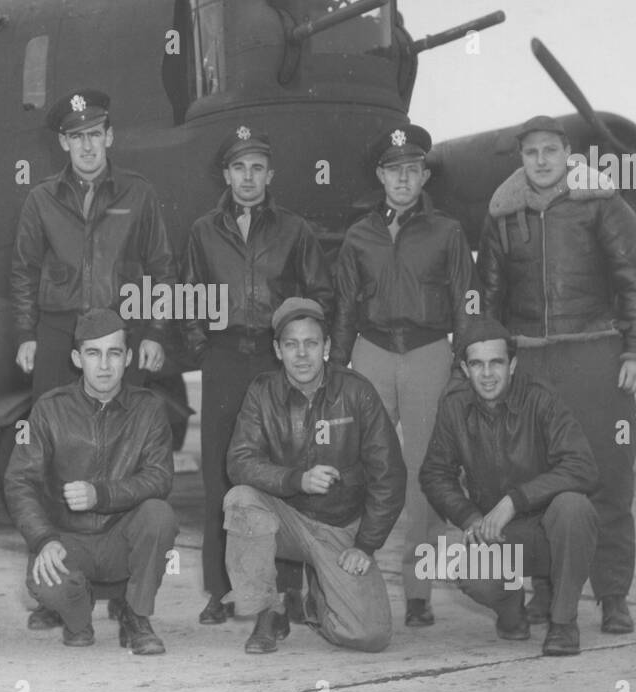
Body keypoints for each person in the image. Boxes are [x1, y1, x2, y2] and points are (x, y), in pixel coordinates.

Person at [477, 116, 636, 634]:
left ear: (568, 153)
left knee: (608, 479)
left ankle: (612, 595)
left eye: (550, 150)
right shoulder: (501, 214)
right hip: (529, 362)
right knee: (533, 480)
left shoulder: (601, 202)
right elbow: (486, 298)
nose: (540, 160)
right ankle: (547, 590)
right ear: (521, 157)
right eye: (531, 152)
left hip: (595, 359)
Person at [9, 89, 177, 629]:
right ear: (63, 142)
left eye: (94, 134)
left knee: (125, 450)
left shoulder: (139, 193)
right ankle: (58, 591)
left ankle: (128, 586)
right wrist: (27, 333)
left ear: (109, 136)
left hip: (117, 331)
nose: (86, 145)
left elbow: (160, 266)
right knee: (53, 457)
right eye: (75, 136)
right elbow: (22, 270)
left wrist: (153, 331)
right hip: (61, 334)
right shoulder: (40, 199)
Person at [182, 125, 332, 626]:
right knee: (220, 473)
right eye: (238, 167)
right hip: (225, 359)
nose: (248, 177)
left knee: (282, 469)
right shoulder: (204, 230)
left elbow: (318, 295)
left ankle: (288, 589)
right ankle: (221, 590)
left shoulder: (295, 230)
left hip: (275, 365)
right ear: (225, 174)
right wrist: (206, 350)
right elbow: (189, 298)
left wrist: (296, 358)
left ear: (270, 174)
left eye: (257, 167)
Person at [331, 123, 475, 628]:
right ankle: (340, 583)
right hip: (370, 352)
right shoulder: (359, 235)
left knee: (422, 477)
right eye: (394, 171)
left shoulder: (448, 232)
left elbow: (465, 301)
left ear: (423, 175)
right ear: (380, 175)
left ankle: (418, 593)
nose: (404, 179)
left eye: (413, 170)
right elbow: (345, 304)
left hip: (428, 352)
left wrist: (461, 365)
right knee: (352, 468)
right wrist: (337, 368)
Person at [223, 298, 405, 654]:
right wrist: (296, 479)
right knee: (241, 501)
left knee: (370, 636)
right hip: (288, 518)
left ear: (327, 346)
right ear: (277, 350)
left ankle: (316, 600)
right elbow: (240, 461)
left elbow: (390, 474)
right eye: (291, 344)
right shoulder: (262, 392)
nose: (302, 354)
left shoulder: (357, 391)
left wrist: (366, 544)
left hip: (341, 528)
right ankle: (269, 613)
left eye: (311, 343)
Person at [419, 319, 600, 656]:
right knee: (461, 565)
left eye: (496, 362)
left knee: (575, 508)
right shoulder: (454, 407)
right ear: (464, 368)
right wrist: (470, 518)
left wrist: (514, 501)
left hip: (550, 531)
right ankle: (510, 609)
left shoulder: (540, 399)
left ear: (513, 364)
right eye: (477, 364)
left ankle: (562, 622)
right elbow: (434, 473)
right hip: (497, 535)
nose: (487, 374)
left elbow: (583, 466)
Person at [4, 309, 178, 655]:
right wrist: (43, 539)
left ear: (127, 358)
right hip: (70, 540)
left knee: (159, 515)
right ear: (76, 358)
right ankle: (77, 618)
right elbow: (19, 480)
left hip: (120, 538)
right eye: (93, 353)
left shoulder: (148, 409)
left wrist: (101, 494)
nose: (104, 365)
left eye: (114, 353)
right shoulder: (49, 409)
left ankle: (137, 615)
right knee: (43, 580)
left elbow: (160, 477)